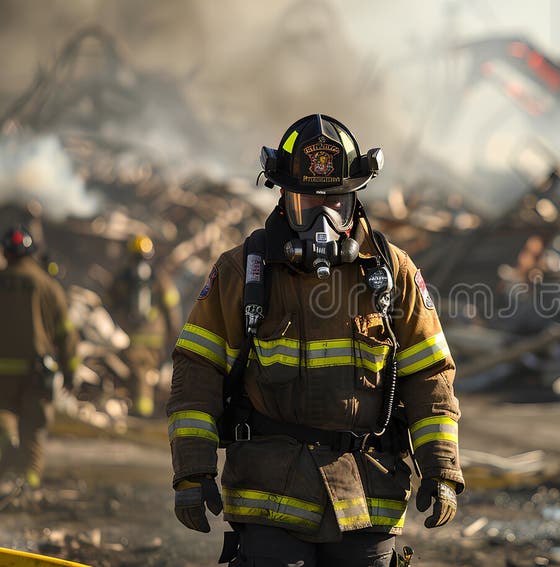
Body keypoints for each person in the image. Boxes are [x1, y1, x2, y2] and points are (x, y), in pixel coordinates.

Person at [167, 114, 463, 566]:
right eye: (307, 203)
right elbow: (196, 370)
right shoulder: (243, 272)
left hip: (367, 496)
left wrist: (440, 469)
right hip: (270, 494)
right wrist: (192, 468)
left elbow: (430, 375)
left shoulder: (392, 272)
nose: (323, 220)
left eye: (336, 203)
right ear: (283, 197)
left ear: (355, 199)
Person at [0, 225, 79, 490]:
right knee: (33, 429)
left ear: (6, 253)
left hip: (2, 374)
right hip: (37, 373)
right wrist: (70, 370)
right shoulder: (48, 285)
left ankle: (7, 450)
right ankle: (29, 484)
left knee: (3, 416)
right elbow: (65, 333)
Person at [107, 235, 181, 417]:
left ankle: (139, 413)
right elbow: (172, 307)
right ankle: (144, 413)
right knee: (145, 373)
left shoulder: (122, 277)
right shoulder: (160, 278)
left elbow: (109, 303)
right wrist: (175, 333)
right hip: (155, 336)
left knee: (136, 373)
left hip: (129, 334)